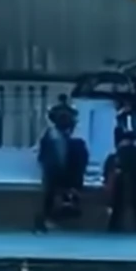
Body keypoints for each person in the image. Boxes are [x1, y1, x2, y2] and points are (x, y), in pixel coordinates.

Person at [35, 96, 87, 230]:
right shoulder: (54, 137)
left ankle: (57, 211)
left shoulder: (72, 140)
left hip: (64, 173)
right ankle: (50, 215)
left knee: (54, 191)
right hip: (56, 172)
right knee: (51, 191)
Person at [108, 101, 136, 231]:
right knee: (128, 194)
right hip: (129, 159)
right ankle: (132, 222)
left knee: (128, 193)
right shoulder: (127, 128)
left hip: (128, 159)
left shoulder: (128, 128)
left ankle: (120, 222)